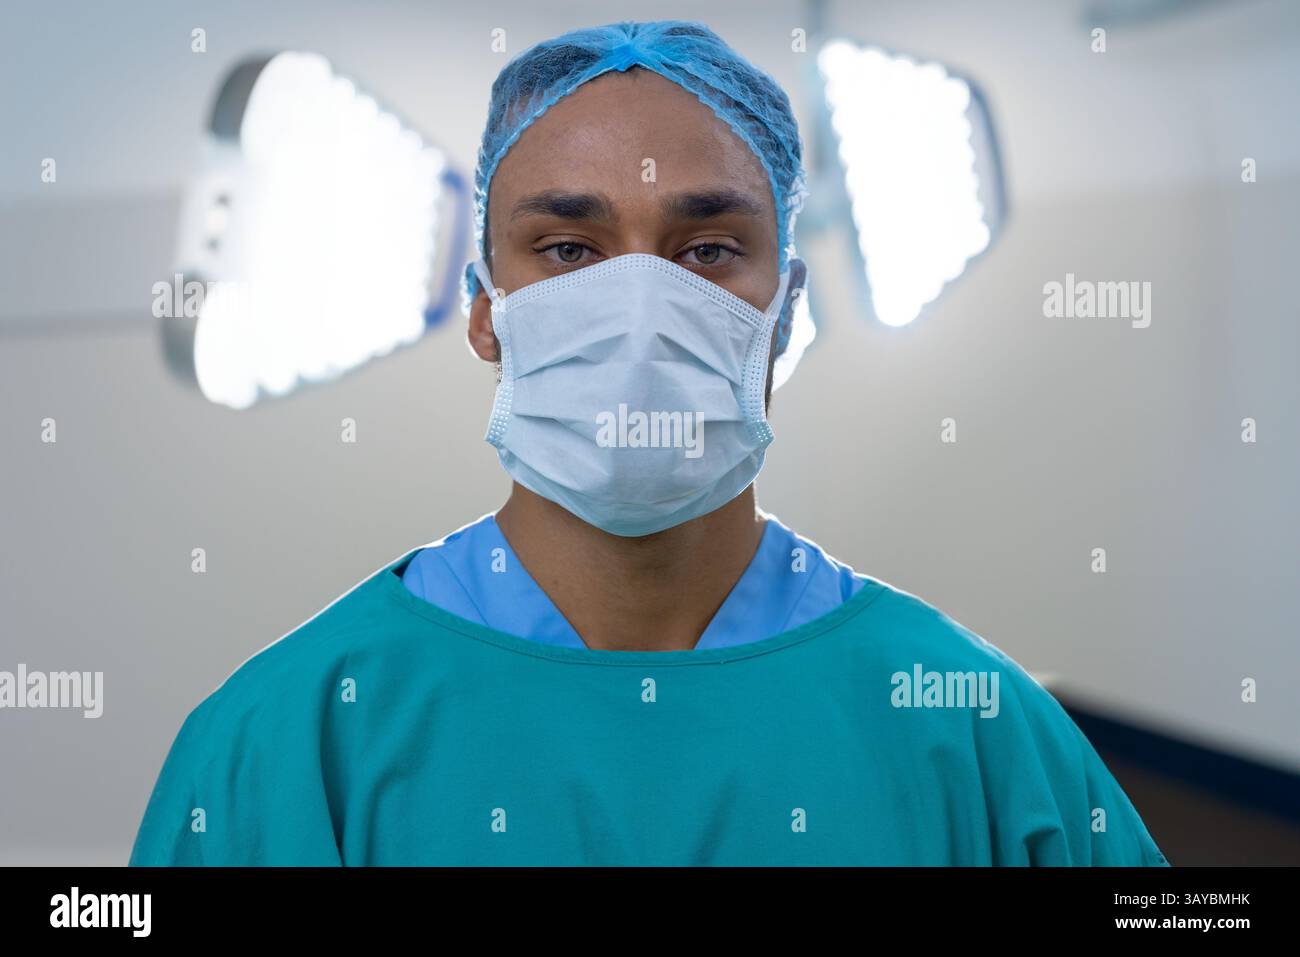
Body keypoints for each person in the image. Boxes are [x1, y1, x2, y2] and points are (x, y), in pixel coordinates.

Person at [130, 19, 1169, 866]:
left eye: (708, 249)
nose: (638, 305)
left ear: (785, 313)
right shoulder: (294, 742)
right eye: (569, 248)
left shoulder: (970, 727)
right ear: (486, 312)